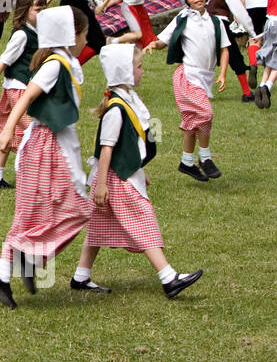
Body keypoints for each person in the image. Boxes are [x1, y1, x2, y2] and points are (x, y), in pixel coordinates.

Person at [0, 6, 94, 309]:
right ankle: (24, 260)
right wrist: (8, 131)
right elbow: (29, 95)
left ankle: (14, 267)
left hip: (55, 141)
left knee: (38, 212)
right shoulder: (55, 65)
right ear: (72, 35)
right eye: (84, 34)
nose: (86, 40)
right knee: (76, 208)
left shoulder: (65, 62)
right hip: (47, 144)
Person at [80, 44, 203, 298]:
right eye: (138, 67)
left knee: (100, 226)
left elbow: (129, 144)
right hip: (117, 179)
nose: (142, 71)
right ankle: (168, 277)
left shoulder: (127, 102)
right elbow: (106, 150)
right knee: (143, 221)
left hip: (123, 174)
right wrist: (101, 184)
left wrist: (138, 168)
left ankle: (81, 276)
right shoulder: (116, 109)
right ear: (124, 72)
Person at [144, 0, 230, 182]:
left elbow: (225, 48)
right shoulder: (183, 18)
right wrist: (152, 45)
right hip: (187, 77)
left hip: (205, 78)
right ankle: (206, 158)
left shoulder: (216, 21)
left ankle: (187, 162)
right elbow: (163, 40)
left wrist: (223, 73)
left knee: (194, 121)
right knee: (206, 114)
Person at [0, 0, 46, 189]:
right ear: (24, 11)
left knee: (9, 129)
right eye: (37, 9)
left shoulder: (37, 31)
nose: (42, 13)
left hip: (15, 89)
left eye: (44, 8)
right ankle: (31, 176)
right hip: (19, 90)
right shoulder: (22, 35)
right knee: (33, 131)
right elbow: (2, 63)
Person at [204, 0, 257, 103]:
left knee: (207, 58)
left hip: (205, 24)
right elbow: (239, 12)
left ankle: (203, 92)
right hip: (220, 24)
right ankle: (246, 92)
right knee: (235, 57)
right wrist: (252, 32)